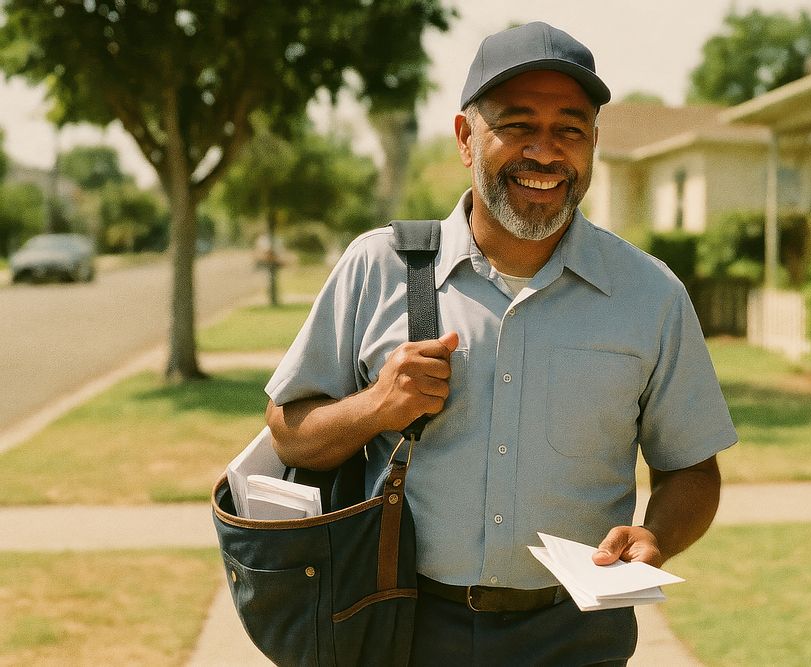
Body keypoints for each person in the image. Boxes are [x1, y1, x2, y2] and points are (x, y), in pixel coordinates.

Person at [265, 21, 737, 666]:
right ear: (467, 137)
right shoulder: (379, 266)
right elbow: (290, 432)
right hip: (401, 628)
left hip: (575, 637)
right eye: (517, 125)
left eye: (569, 129)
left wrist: (656, 536)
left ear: (593, 144)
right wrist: (377, 406)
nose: (544, 153)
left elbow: (692, 468)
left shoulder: (649, 295)